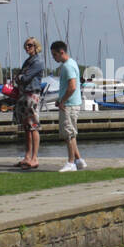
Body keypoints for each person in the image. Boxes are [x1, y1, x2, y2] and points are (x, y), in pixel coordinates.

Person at [50, 40, 85, 172]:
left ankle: (71, 163)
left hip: (69, 104)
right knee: (71, 133)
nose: (53, 57)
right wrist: (60, 100)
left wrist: (63, 101)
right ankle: (79, 160)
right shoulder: (72, 63)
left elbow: (72, 86)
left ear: (61, 52)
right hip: (71, 103)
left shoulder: (67, 66)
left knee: (69, 134)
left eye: (54, 54)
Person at [14, 37, 45, 169]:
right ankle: (27, 156)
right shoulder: (28, 61)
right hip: (24, 95)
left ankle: (35, 158)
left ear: (36, 46)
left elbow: (25, 78)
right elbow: (21, 77)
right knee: (27, 127)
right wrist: (20, 77)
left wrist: (20, 77)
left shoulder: (38, 62)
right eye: (26, 45)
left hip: (32, 95)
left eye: (30, 45)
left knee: (33, 126)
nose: (27, 47)